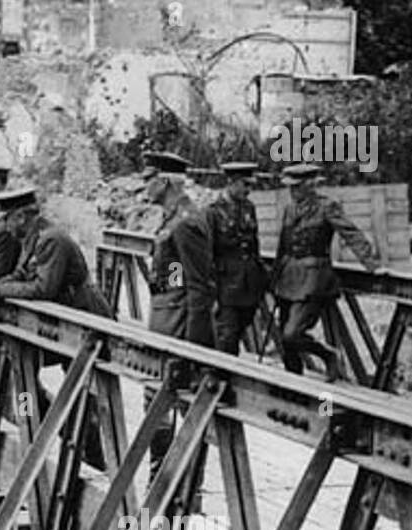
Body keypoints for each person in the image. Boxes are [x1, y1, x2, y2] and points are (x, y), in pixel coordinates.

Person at [273, 162, 381, 381]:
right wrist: (275, 276)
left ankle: (328, 355)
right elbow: (283, 246)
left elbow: (350, 233)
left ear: (310, 185)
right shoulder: (289, 209)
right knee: (284, 339)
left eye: (297, 187)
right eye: (290, 188)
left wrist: (372, 264)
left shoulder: (326, 206)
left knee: (292, 334)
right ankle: (293, 382)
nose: (292, 192)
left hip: (314, 278)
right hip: (289, 277)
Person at [0, 187, 113, 317]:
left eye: (6, 219)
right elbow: (21, 273)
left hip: (87, 314)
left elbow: (44, 289)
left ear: (20, 217)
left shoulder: (50, 239)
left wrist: (1, 289)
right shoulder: (32, 237)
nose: (5, 227)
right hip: (70, 311)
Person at [144, 151, 215, 348]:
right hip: (168, 313)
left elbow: (198, 283)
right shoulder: (173, 217)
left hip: (178, 322)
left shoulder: (185, 222)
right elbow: (177, 268)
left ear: (164, 182)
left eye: (148, 179)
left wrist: (194, 341)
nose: (145, 187)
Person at [205, 161, 269, 355]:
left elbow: (254, 245)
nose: (249, 190)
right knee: (227, 336)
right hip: (226, 285)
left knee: (243, 327)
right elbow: (208, 253)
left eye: (250, 185)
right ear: (231, 182)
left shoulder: (249, 208)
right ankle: (224, 378)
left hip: (249, 285)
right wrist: (212, 291)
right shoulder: (213, 212)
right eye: (245, 184)